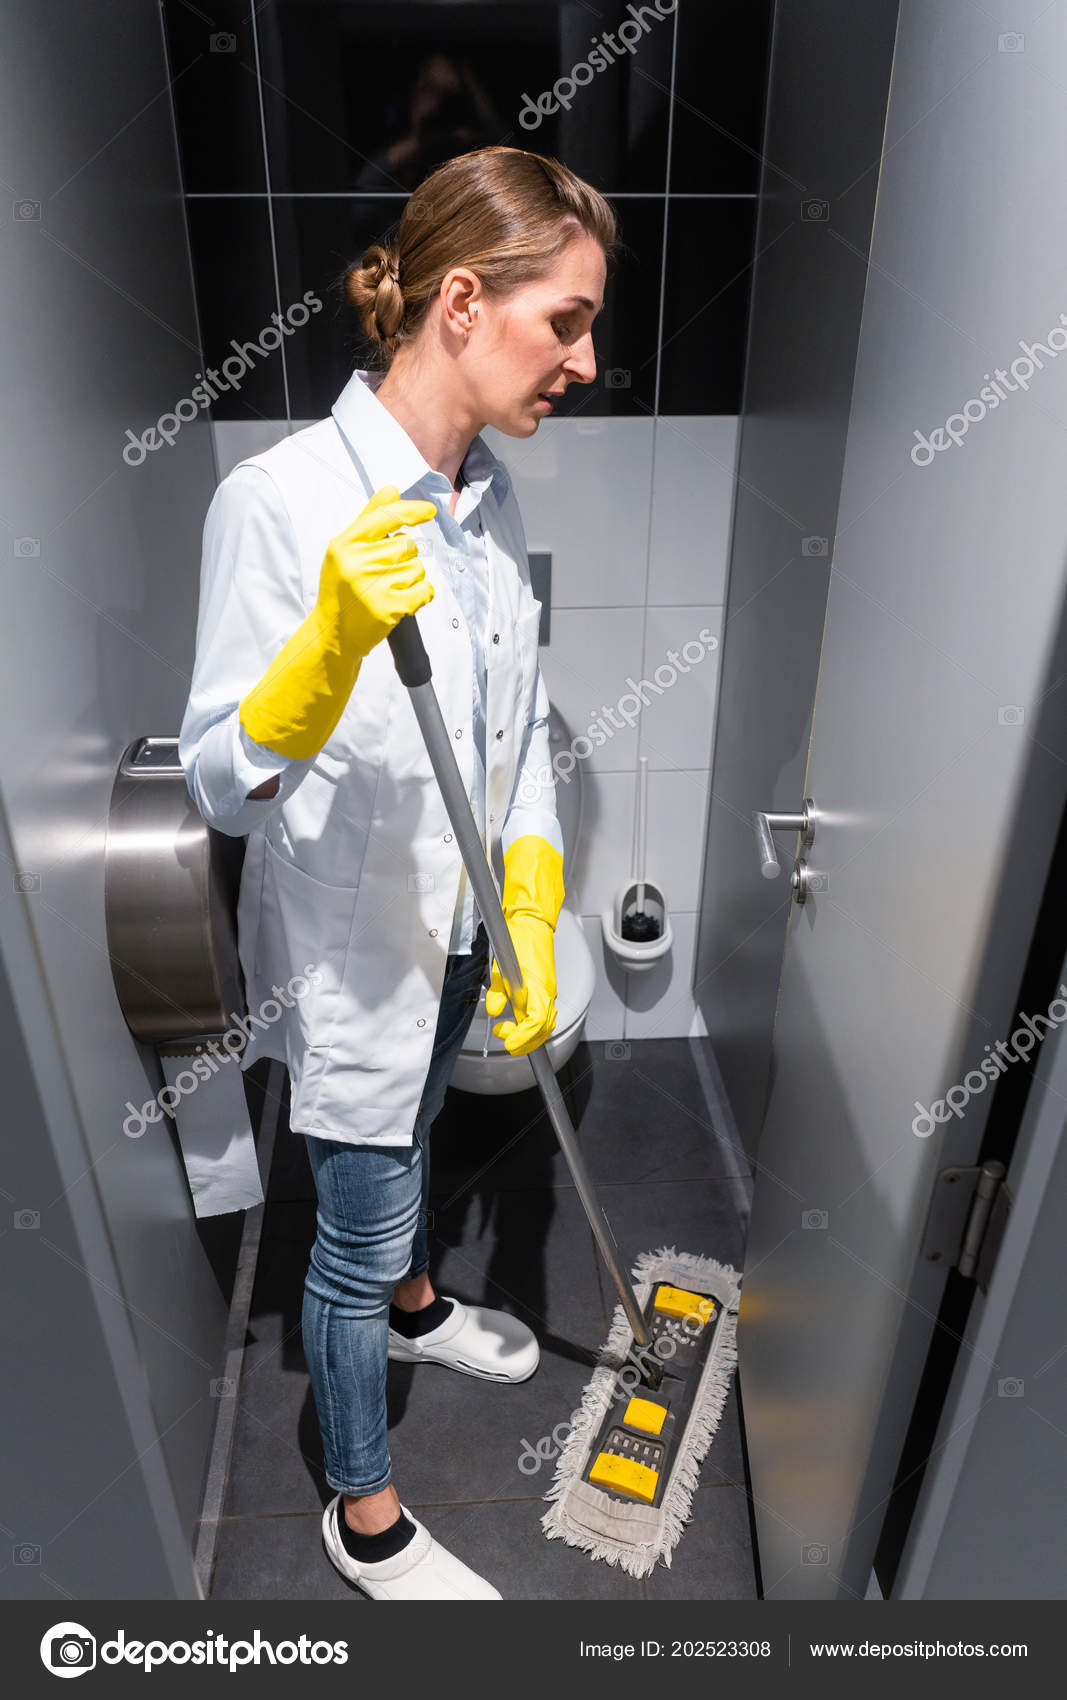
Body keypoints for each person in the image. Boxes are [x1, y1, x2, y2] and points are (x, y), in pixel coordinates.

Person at [179, 145, 617, 1600]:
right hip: (352, 961)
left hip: (462, 951)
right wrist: (321, 653)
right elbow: (218, 783)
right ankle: (363, 1516)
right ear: (459, 303)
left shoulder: (488, 507)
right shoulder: (281, 504)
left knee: (428, 1135)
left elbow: (521, 748)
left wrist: (537, 911)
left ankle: (427, 1301)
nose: (588, 359)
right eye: (566, 320)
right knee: (351, 1242)